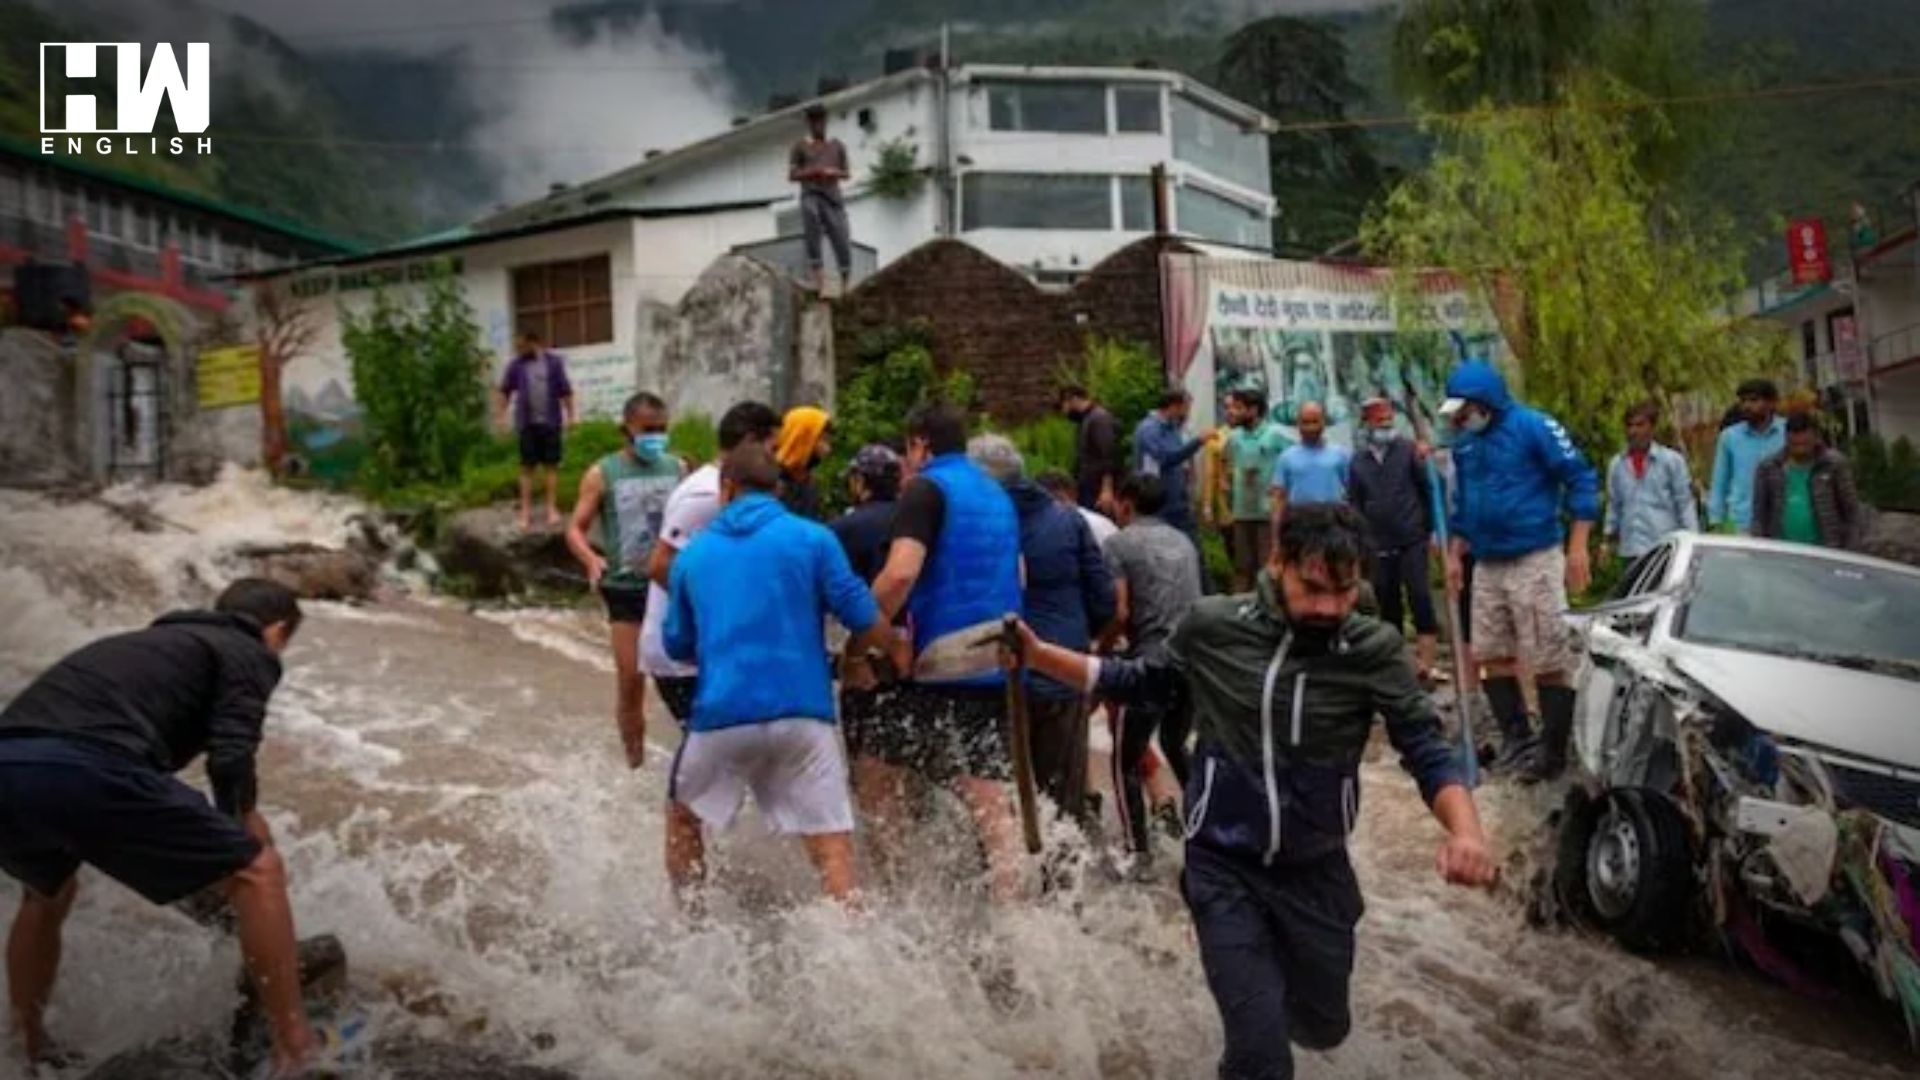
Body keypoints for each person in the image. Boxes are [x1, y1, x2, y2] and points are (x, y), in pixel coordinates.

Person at [1011, 504, 1498, 1080]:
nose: (1327, 607)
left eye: (1343, 591)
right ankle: (1238, 971)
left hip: (1315, 872)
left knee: (1323, 1027)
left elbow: (1425, 750)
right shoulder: (1214, 627)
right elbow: (1141, 682)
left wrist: (1466, 832)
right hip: (1223, 864)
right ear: (1276, 561)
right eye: (1312, 587)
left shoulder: (1373, 649)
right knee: (1262, 1058)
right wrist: (1040, 656)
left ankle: (1259, 983)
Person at [0, 580, 363, 1076]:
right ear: (277, 631)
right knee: (258, 871)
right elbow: (231, 751)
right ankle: (295, 1047)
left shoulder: (143, 643)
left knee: (45, 897)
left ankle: (30, 1048)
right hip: (87, 764)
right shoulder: (247, 649)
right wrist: (244, 819)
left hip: (9, 764)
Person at [662, 445, 886, 906]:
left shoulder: (693, 556)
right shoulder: (814, 539)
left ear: (726, 489)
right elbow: (865, 615)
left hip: (722, 716)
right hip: (805, 717)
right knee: (831, 847)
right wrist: (853, 661)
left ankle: (691, 925)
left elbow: (677, 646)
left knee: (683, 818)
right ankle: (855, 947)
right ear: (777, 490)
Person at [856, 402, 1026, 900]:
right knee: (989, 797)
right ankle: (1016, 912)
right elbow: (1018, 576)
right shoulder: (996, 492)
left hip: (942, 660)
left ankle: (897, 892)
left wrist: (863, 633)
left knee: (875, 771)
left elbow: (901, 573)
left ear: (919, 445)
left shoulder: (926, 489)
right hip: (1001, 652)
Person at [1440, 361, 1600, 784]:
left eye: (1465, 409)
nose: (1459, 418)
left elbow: (1580, 478)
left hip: (1535, 556)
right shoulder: (1466, 444)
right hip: (1487, 561)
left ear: (1485, 402)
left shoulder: (1534, 426)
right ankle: (1518, 739)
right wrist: (1455, 554)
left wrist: (1578, 544)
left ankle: (1552, 751)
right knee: (1490, 652)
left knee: (1548, 654)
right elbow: (1462, 506)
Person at [969, 435, 1115, 832]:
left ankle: (1004, 890)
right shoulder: (1068, 519)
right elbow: (1104, 600)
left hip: (994, 681)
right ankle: (1065, 888)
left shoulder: (974, 527)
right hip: (1059, 674)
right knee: (1062, 804)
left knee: (996, 806)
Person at [640, 402, 782, 733]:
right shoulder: (709, 494)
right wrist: (717, 616)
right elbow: (661, 564)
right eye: (773, 447)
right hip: (685, 654)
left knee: (717, 752)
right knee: (714, 751)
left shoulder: (715, 485)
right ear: (750, 441)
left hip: (692, 649)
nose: (776, 457)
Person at [564, 393, 683, 769]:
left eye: (662, 430)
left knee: (686, 675)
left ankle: (695, 753)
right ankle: (635, 761)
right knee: (631, 679)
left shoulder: (678, 468)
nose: (656, 437)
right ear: (626, 430)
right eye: (648, 430)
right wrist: (590, 558)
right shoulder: (603, 474)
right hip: (626, 588)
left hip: (671, 585)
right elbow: (575, 529)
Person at [1101, 474, 1203, 863]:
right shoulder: (1184, 542)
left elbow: (1121, 611)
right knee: (1177, 745)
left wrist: (1103, 652)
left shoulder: (1119, 544)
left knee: (1124, 760)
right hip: (1191, 659)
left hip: (1150, 662)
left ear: (1126, 503)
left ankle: (1136, 853)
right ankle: (1203, 832)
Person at [1349, 397, 1439, 681]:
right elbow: (1355, 503)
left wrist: (1431, 530)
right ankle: (1398, 663)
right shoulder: (1358, 461)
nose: (1385, 426)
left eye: (1389, 420)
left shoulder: (1409, 452)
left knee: (1420, 595)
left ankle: (1427, 662)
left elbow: (1426, 491)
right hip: (1377, 542)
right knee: (1386, 601)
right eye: (1379, 421)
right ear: (1366, 424)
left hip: (1412, 536)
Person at [495, 331, 576, 531]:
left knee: (551, 466)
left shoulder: (554, 363)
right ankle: (525, 512)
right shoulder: (516, 365)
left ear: (535, 343)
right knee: (526, 468)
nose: (519, 350)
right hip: (527, 423)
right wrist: (501, 417)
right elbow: (504, 391)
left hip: (550, 422)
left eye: (522, 346)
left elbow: (565, 391)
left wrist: (571, 416)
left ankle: (551, 508)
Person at [1602, 400, 1698, 564]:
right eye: (1630, 426)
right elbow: (1614, 504)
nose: (1633, 431)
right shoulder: (1617, 464)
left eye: (1640, 425)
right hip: (1631, 548)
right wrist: (1607, 539)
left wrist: (1693, 541)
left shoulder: (1672, 461)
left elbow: (1684, 504)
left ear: (1652, 428)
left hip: (1664, 546)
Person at [1750, 411, 1862, 550]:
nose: (1800, 449)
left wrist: (1850, 550)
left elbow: (1852, 512)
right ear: (1786, 439)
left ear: (1816, 438)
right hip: (1781, 551)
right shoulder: (1768, 467)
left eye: (1805, 444)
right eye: (1794, 444)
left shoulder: (1834, 465)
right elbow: (1759, 515)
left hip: (1827, 551)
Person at [1219, 387, 1291, 592]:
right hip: (1242, 511)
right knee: (1242, 565)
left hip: (1268, 512)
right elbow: (1224, 459)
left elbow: (1291, 461)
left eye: (1239, 408)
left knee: (1266, 565)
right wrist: (1225, 483)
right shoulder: (1235, 437)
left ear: (1254, 410)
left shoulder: (1275, 434)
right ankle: (1240, 608)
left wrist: (1282, 492)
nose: (1234, 412)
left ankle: (1268, 608)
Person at [1707, 378, 1786, 534]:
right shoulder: (1729, 437)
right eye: (1743, 401)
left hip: (1781, 521)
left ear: (1771, 403)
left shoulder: (1786, 432)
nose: (1747, 406)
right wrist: (1715, 521)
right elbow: (1719, 483)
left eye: (1754, 400)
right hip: (1740, 522)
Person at [790, 103, 853, 295]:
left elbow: (846, 173)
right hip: (811, 194)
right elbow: (792, 175)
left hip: (832, 196)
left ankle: (846, 284)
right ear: (809, 123)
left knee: (841, 236)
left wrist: (834, 172)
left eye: (822, 121)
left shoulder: (837, 146)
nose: (819, 125)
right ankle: (820, 283)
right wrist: (814, 172)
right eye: (815, 121)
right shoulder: (799, 146)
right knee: (812, 226)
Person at [1133, 389, 1213, 539]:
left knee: (1191, 547)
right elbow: (1166, 458)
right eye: (1186, 408)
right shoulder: (1149, 429)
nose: (1188, 412)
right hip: (1160, 502)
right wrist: (1198, 442)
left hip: (1178, 502)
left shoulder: (1173, 427)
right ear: (1174, 406)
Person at [1270, 401, 1350, 532]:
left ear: (1324, 422)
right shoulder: (1286, 457)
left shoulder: (1341, 454)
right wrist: (1276, 540)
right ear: (1298, 424)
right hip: (1298, 524)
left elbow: (1352, 493)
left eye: (1315, 421)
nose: (1310, 427)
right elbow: (1278, 499)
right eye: (1305, 422)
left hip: (1333, 524)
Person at [1060, 386, 1122, 515]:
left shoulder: (1099, 418)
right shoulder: (1086, 419)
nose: (1064, 411)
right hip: (1089, 487)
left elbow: (1108, 455)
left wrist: (1106, 489)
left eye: (1063, 406)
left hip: (1097, 490)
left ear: (1073, 399)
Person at [773, 405, 833, 521]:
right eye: (822, 440)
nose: (827, 450)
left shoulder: (809, 482)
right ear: (802, 439)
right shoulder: (770, 480)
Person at [1037, 468, 1118, 549]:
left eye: (1059, 500)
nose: (1055, 507)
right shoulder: (1102, 523)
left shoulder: (1097, 524)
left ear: (1074, 495)